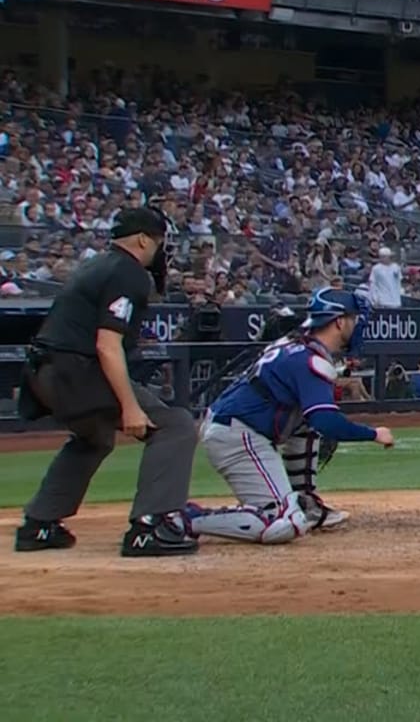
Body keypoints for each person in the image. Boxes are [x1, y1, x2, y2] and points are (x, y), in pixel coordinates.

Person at [13, 207, 202, 556]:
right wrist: (130, 407)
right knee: (175, 426)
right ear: (145, 239)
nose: (161, 250)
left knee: (94, 436)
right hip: (77, 370)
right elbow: (107, 344)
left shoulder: (94, 264)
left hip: (44, 372)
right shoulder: (128, 272)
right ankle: (150, 527)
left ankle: (39, 525)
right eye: (159, 242)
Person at [185, 288, 396, 544]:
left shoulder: (294, 343)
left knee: (307, 419)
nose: (357, 324)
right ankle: (188, 519)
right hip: (238, 436)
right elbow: (327, 423)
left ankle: (304, 501)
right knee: (282, 523)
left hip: (237, 428)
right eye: (353, 318)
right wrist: (373, 434)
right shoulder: (310, 360)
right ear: (339, 321)